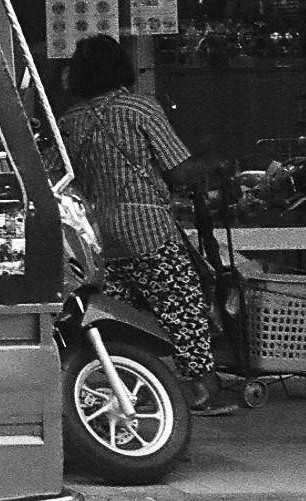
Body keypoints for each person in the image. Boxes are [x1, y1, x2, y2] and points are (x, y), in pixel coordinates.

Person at [57, 34, 237, 415]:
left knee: (119, 317)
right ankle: (203, 389)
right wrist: (214, 158)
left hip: (103, 235)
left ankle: (119, 384)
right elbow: (181, 173)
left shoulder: (69, 121)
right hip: (148, 227)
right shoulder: (140, 108)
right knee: (182, 306)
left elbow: (62, 178)